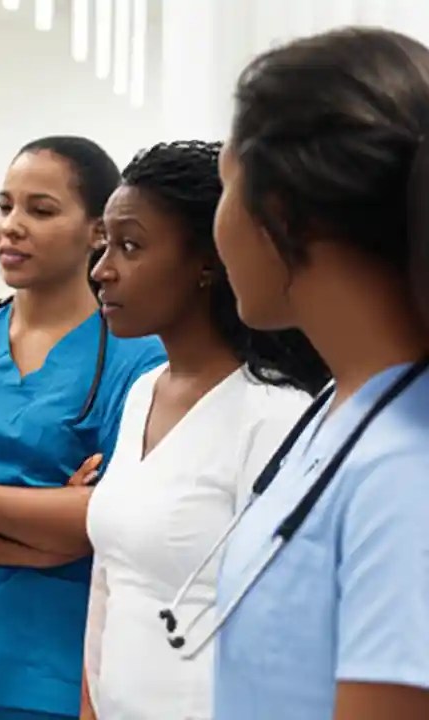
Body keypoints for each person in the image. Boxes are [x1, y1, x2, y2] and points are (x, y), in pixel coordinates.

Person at [186, 26, 429, 720]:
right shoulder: (343, 408)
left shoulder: (405, 472)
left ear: (282, 213)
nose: (217, 226)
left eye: (226, 186)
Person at [0, 136, 167, 720]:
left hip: (58, 675)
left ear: (98, 230)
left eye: (40, 210)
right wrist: (45, 535)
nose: (12, 226)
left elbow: (101, 524)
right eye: (5, 207)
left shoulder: (135, 360)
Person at [80, 140, 329, 720]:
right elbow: (110, 584)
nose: (101, 271)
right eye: (104, 246)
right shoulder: (145, 392)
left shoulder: (274, 415)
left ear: (208, 262)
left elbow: (289, 633)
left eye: (131, 247)